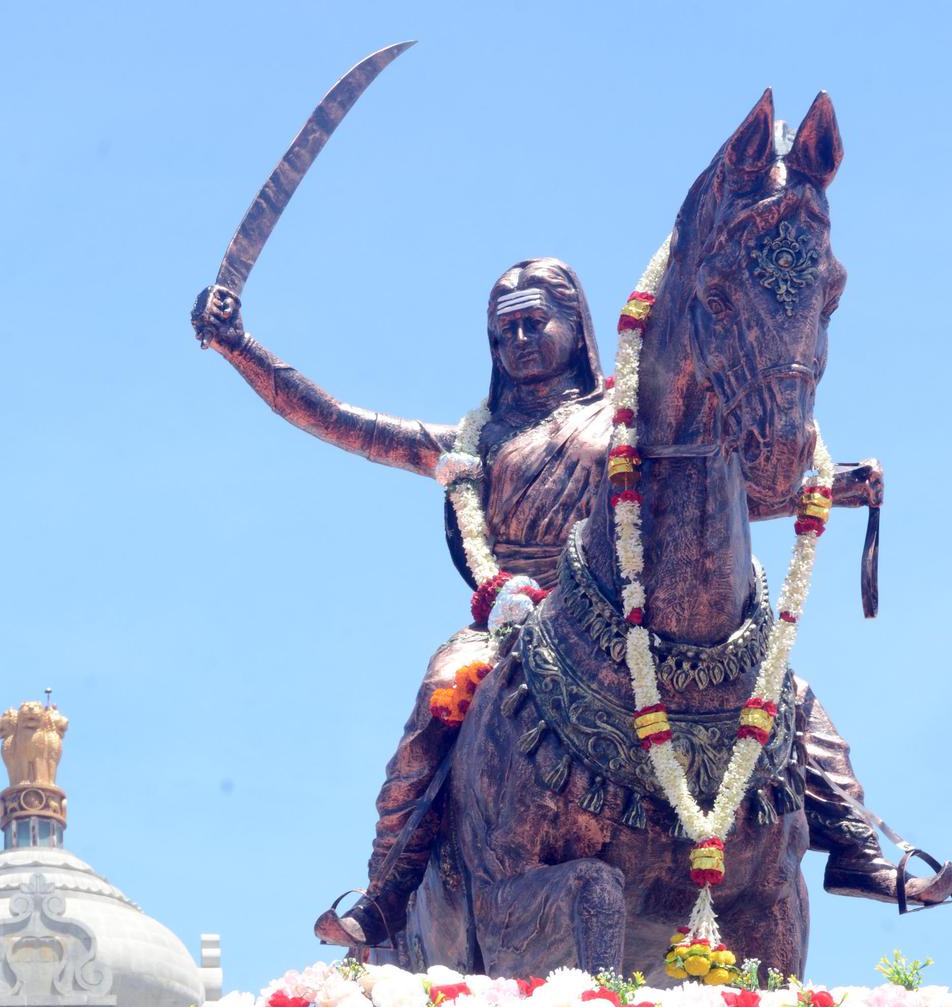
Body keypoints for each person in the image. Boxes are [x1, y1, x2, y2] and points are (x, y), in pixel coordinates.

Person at [192, 261, 944, 949]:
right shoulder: (477, 440)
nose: (518, 340)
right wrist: (240, 347)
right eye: (504, 331)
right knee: (442, 687)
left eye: (533, 322)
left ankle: (855, 848)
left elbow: (712, 492)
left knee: (786, 692)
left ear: (574, 325)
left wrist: (831, 488)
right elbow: (337, 421)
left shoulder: (627, 418)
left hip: (630, 610)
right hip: (517, 620)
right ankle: (389, 886)